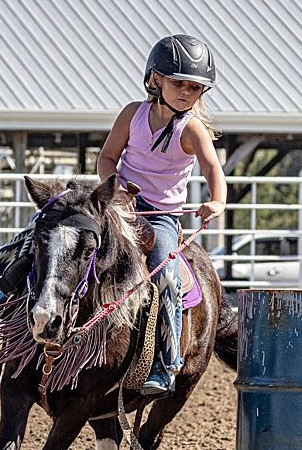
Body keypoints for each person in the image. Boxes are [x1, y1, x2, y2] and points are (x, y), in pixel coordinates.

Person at [92, 35, 227, 395]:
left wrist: (217, 201)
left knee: (167, 274)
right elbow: (106, 158)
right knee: (62, 233)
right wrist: (116, 188)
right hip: (119, 209)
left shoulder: (192, 129)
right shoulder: (131, 114)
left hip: (161, 218)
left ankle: (165, 362)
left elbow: (214, 169)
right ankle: (8, 291)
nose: (186, 92)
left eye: (195, 87)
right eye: (178, 83)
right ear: (156, 80)